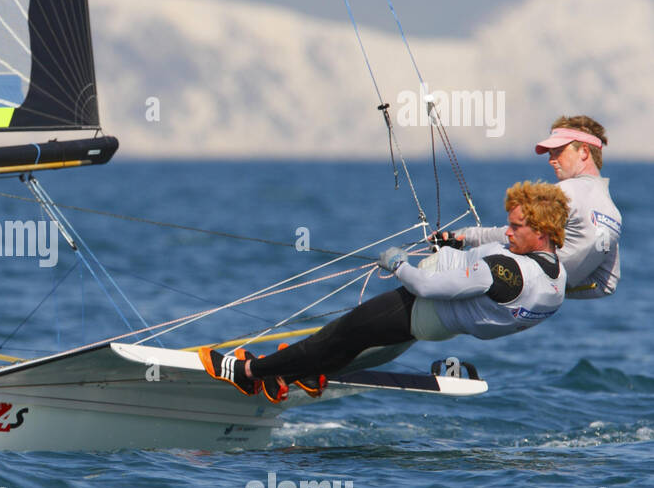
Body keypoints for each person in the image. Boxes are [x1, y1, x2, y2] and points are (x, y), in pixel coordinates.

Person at [202, 181, 570, 402]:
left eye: (516, 226)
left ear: (541, 232)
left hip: (421, 307)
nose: (507, 232)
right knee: (352, 346)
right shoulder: (557, 277)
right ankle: (305, 375)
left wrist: (396, 263)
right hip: (443, 324)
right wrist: (460, 240)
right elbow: (493, 242)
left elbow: (427, 285)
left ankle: (247, 371)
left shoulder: (505, 271)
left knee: (337, 337)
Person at [438, 115, 620, 299]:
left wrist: (465, 236)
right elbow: (607, 284)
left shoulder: (566, 191)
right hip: (541, 302)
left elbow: (516, 233)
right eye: (550, 154)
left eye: (558, 151)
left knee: (439, 266)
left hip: (511, 285)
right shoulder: (613, 213)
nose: (551, 160)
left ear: (583, 152)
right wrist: (554, 287)